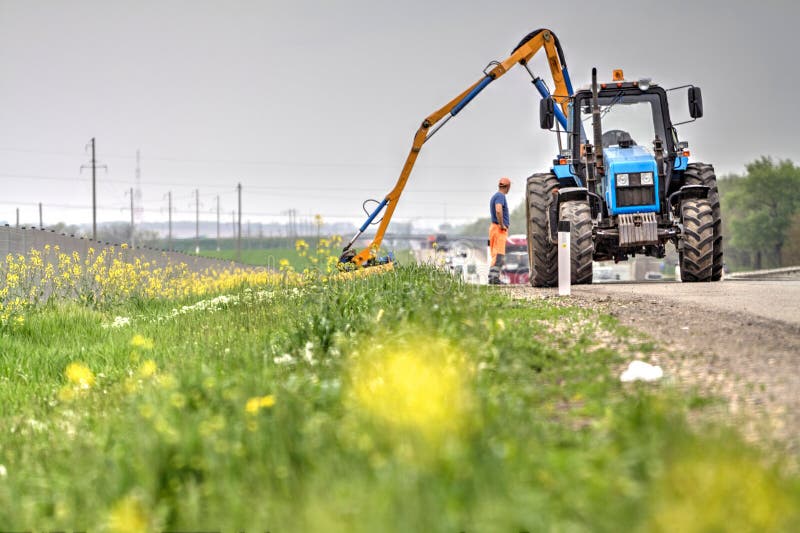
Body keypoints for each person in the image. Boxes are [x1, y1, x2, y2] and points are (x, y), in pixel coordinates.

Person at [488, 177, 510, 284]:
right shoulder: (500, 196)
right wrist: (501, 225)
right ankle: (493, 279)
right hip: (498, 229)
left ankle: (493, 277)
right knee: (498, 255)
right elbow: (498, 209)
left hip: (494, 228)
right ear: (508, 187)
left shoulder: (495, 196)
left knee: (496, 254)